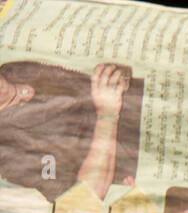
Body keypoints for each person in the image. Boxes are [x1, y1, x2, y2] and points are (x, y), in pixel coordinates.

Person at [0, 61, 140, 202]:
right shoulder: (8, 151)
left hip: (143, 105)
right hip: (135, 155)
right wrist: (107, 115)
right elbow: (82, 197)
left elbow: (90, 78)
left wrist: (114, 77)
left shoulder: (15, 70)